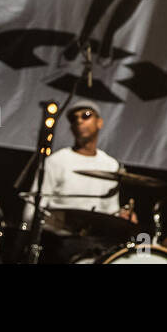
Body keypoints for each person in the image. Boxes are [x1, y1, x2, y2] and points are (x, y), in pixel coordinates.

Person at [22, 101, 136, 262]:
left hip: (98, 244)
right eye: (74, 119)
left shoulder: (110, 165)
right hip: (58, 243)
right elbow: (30, 212)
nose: (79, 121)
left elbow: (110, 211)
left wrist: (122, 217)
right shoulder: (56, 161)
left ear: (99, 122)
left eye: (86, 115)